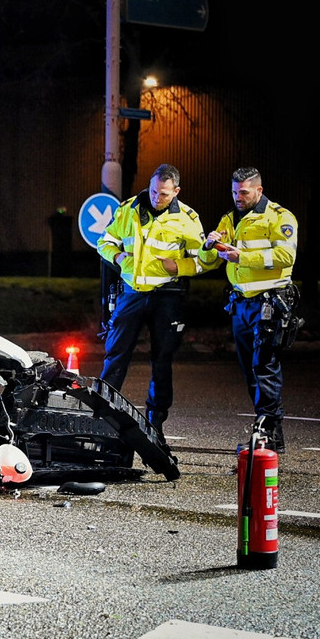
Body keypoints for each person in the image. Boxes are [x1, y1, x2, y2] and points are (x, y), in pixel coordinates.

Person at [95, 164, 207, 435]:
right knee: (116, 355)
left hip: (167, 296)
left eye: (165, 194)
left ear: (176, 191)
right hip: (132, 292)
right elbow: (104, 242)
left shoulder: (188, 219)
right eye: (155, 191)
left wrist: (179, 268)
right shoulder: (129, 208)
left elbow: (205, 259)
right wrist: (119, 257)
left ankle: (155, 423)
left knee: (162, 360)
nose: (157, 197)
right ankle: (101, 416)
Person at [200, 167, 299, 452]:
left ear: (259, 189)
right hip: (241, 303)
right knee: (251, 371)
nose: (238, 197)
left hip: (270, 303)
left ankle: (267, 435)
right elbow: (210, 259)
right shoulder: (230, 218)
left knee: (264, 367)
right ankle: (270, 434)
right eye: (234, 191)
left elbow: (285, 255)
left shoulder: (280, 217)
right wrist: (210, 244)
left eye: (243, 192)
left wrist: (241, 256)